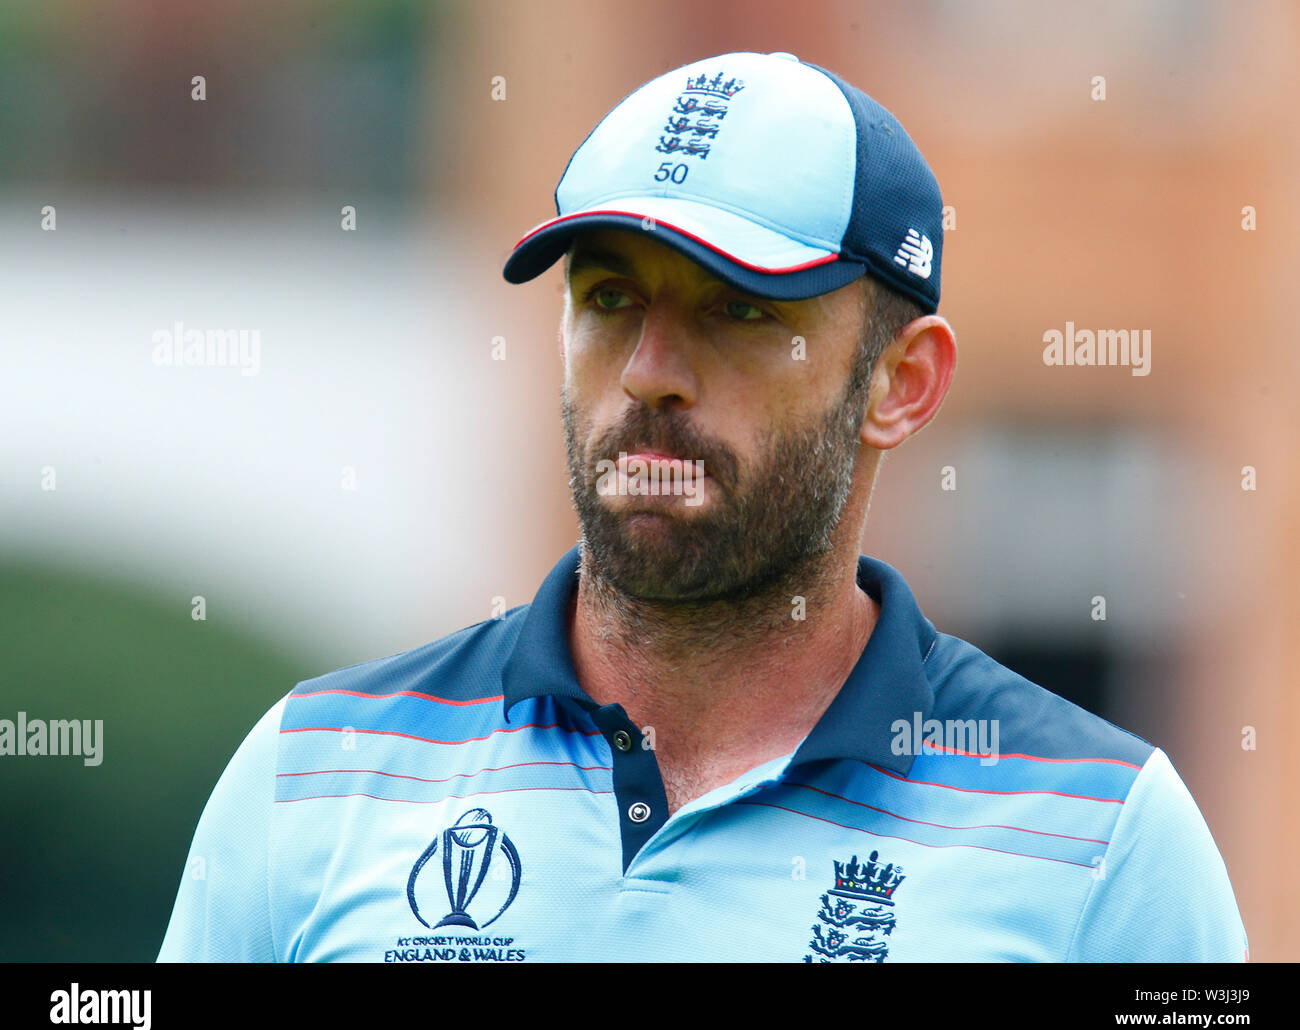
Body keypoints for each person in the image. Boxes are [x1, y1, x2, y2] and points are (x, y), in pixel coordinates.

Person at [159, 51, 1247, 963]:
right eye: (609, 298)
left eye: (735, 309)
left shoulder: (1109, 840)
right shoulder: (307, 773)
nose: (648, 372)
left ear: (900, 382)